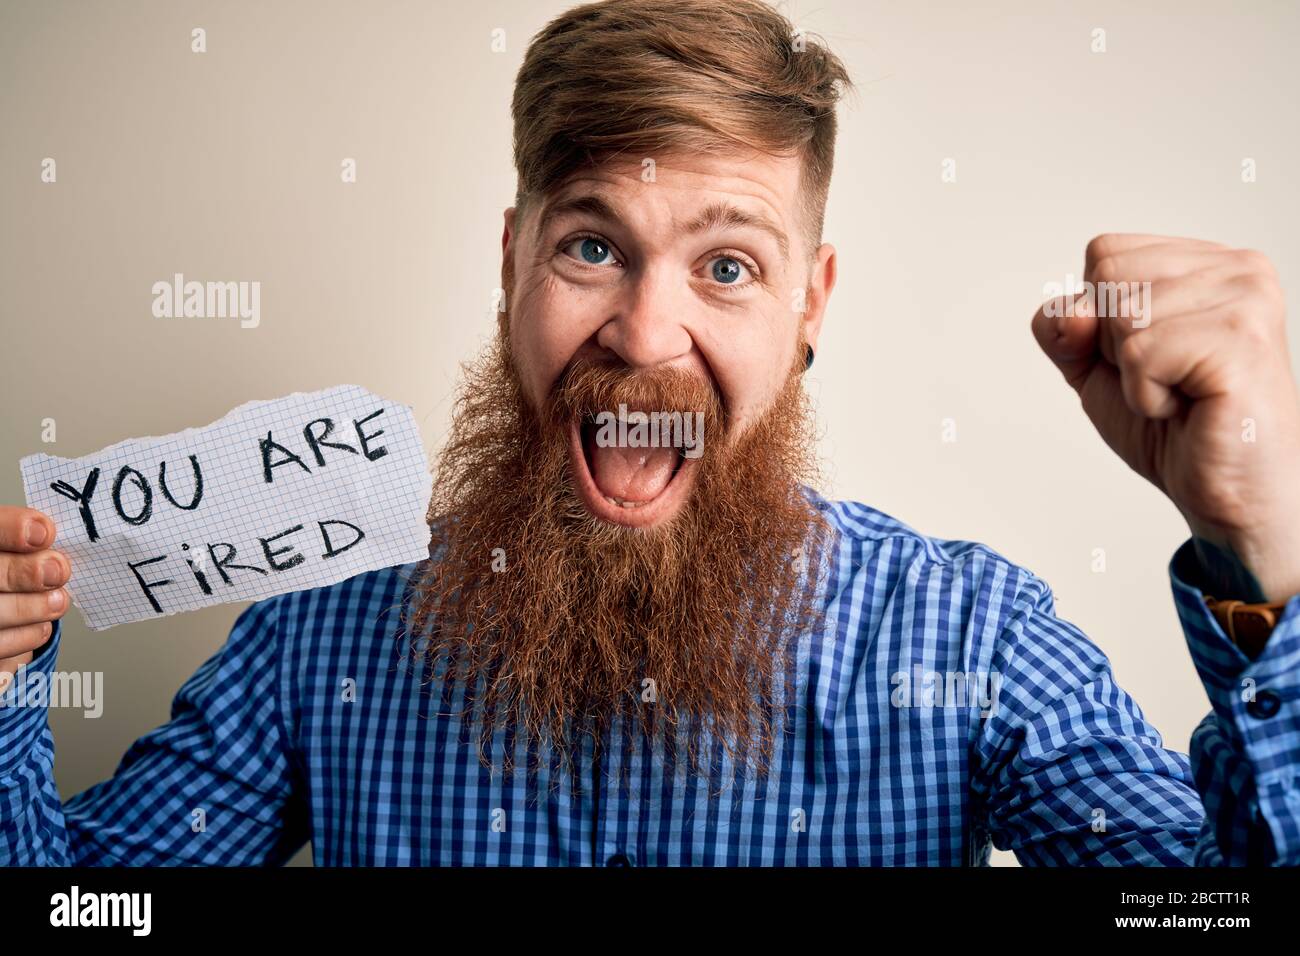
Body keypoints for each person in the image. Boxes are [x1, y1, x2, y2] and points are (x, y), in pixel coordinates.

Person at [2, 0, 1298, 866]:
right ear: (512, 267)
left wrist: (1270, 559)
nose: (641, 330)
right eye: (590, 246)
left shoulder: (969, 642)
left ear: (811, 304)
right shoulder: (318, 640)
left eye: (727, 267)